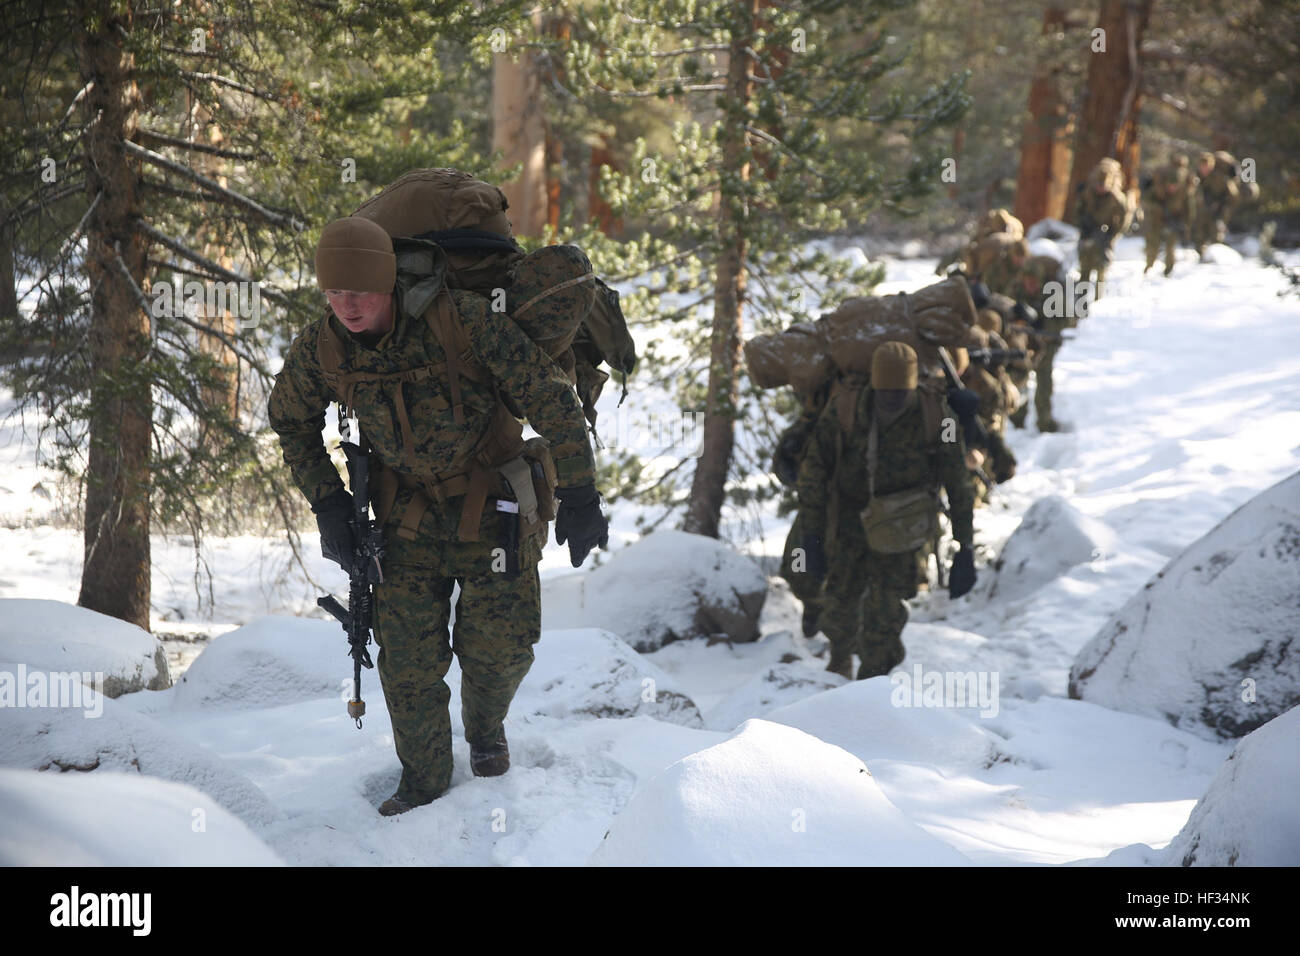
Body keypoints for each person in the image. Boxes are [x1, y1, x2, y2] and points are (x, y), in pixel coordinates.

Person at [268, 214, 608, 816]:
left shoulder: (463, 321)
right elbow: (291, 422)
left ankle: (485, 731)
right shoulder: (322, 346)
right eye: (334, 292)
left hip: (496, 506)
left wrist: (581, 494)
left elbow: (551, 400)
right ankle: (424, 782)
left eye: (361, 291)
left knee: (502, 650)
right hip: (403, 521)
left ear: (389, 283)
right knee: (407, 666)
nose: (347, 305)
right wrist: (329, 503)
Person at [797, 342, 976, 680]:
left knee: (885, 613)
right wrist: (811, 535)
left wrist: (964, 547)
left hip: (903, 528)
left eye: (900, 394)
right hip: (849, 521)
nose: (891, 401)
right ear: (873, 386)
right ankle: (839, 660)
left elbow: (959, 482)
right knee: (839, 602)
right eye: (885, 394)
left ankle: (872, 690)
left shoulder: (938, 417)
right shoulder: (845, 409)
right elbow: (814, 473)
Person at [1074, 157, 1132, 290]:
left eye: (1103, 187)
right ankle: (1081, 297)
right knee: (1085, 266)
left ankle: (1098, 297)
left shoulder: (1116, 197)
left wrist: (1113, 234)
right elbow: (1078, 211)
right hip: (1088, 231)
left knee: (1101, 267)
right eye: (1098, 186)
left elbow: (1125, 218)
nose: (1100, 189)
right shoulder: (1087, 192)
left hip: (1105, 233)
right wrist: (1082, 227)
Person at [1142, 154, 1198, 277]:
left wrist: (1186, 224)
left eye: (1175, 186)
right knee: (1153, 244)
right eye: (1170, 185)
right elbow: (1146, 200)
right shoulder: (1157, 189)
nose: (1172, 188)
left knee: (1170, 246)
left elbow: (1190, 209)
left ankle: (1168, 270)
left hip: (1174, 219)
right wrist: (1156, 207)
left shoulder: (1185, 192)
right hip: (1156, 219)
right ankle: (1149, 266)